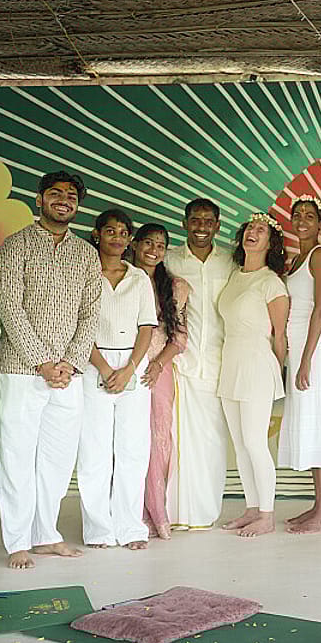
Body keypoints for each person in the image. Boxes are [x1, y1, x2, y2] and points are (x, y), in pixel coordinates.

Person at [0, 170, 101, 569]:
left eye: (71, 195)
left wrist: (69, 363)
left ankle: (45, 535)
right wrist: (42, 361)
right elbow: (10, 309)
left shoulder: (86, 254)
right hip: (20, 369)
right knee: (17, 457)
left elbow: (91, 315)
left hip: (69, 375)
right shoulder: (14, 247)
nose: (63, 200)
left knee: (56, 459)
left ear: (77, 205)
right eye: (55, 193)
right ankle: (17, 541)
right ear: (39, 199)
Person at [77, 210, 157, 550]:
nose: (117, 237)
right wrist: (104, 368)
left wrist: (129, 368)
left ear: (129, 240)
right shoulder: (83, 274)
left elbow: (147, 327)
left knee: (132, 449)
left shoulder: (139, 278)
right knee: (94, 450)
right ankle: (98, 530)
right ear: (97, 234)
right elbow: (78, 324)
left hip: (131, 363)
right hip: (93, 361)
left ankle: (130, 528)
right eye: (110, 230)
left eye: (124, 232)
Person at [218, 212, 289, 538]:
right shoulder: (235, 277)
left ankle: (267, 514)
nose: (253, 233)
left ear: (270, 243)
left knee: (255, 442)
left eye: (261, 230)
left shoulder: (271, 282)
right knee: (241, 444)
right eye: (250, 228)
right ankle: (251, 507)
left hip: (257, 365)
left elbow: (280, 335)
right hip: (231, 363)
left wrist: (274, 370)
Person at [164, 198, 234, 530]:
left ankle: (205, 512)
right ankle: (176, 511)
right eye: (195, 220)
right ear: (185, 223)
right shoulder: (170, 259)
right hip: (182, 364)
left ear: (218, 225)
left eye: (208, 221)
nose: (201, 227)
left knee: (213, 441)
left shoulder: (231, 262)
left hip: (221, 363)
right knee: (179, 441)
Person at [278, 196, 321, 534]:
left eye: (310, 216)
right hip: (301, 347)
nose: (302, 220)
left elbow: (320, 309)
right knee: (314, 426)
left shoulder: (320, 256)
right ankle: (318, 506)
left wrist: (305, 360)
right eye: (297, 215)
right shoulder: (295, 259)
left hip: (315, 350)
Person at [132, 223, 190, 541]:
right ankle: (134, 513)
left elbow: (179, 338)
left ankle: (157, 512)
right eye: (148, 242)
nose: (154, 249)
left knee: (159, 438)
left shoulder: (175, 287)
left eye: (161, 244)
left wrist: (156, 364)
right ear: (135, 244)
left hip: (160, 369)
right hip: (125, 367)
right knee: (129, 440)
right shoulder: (123, 278)